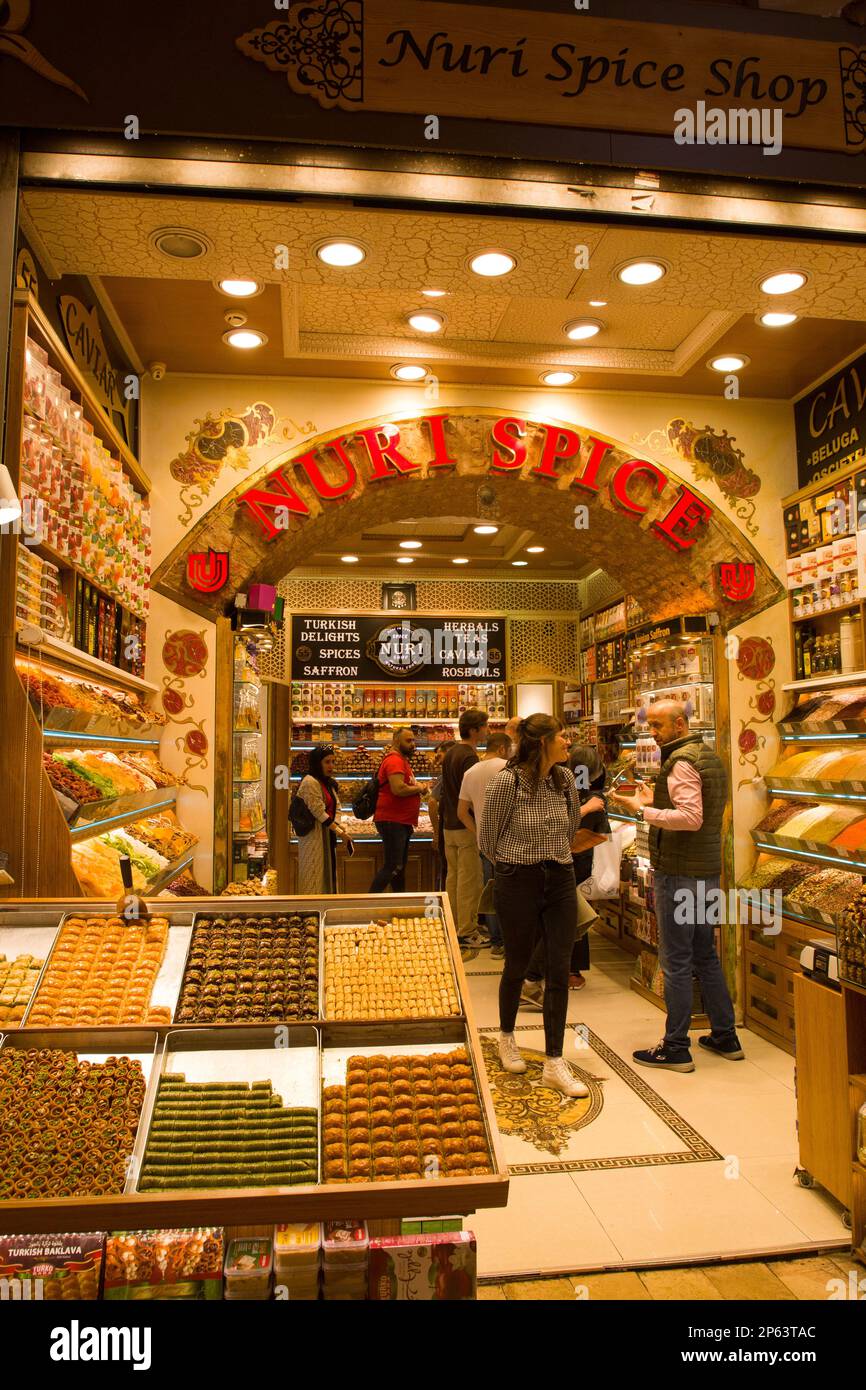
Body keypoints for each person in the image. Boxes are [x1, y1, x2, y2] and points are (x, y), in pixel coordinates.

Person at [610, 699, 743, 1072]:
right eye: (650, 725)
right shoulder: (707, 755)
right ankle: (725, 1035)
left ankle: (676, 1046)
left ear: (680, 725)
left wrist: (643, 810)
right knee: (705, 955)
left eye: (658, 726)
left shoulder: (680, 760)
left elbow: (690, 818)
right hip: (705, 872)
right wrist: (657, 800)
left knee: (677, 961)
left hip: (681, 873)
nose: (652, 733)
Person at [480, 713, 588, 1098]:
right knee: (518, 963)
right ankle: (506, 1036)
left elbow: (572, 826)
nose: (568, 742)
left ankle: (555, 1061)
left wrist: (549, 856)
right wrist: (515, 865)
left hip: (560, 877)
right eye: (562, 736)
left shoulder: (565, 782)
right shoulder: (507, 783)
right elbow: (487, 839)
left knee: (558, 969)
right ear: (542, 742)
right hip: (517, 880)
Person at [520, 744, 607, 1007]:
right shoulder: (578, 792)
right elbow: (559, 823)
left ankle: (546, 971)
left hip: (555, 861)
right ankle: (554, 972)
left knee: (561, 918)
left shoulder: (557, 782)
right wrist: (587, 809)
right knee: (569, 919)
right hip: (570, 862)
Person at [457, 729, 512, 958]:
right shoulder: (509, 769)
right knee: (513, 893)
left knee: (492, 891)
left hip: (485, 843)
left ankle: (497, 942)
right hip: (512, 840)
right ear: (502, 749)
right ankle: (513, 943)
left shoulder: (471, 772)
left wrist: (479, 833)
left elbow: (461, 812)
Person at [441, 709, 489, 945]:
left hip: (449, 825)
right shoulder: (469, 756)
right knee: (469, 882)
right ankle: (467, 931)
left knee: (454, 879)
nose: (488, 730)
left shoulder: (451, 752)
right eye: (485, 726)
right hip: (465, 827)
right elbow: (470, 796)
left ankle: (453, 924)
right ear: (474, 730)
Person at [369, 726, 422, 893]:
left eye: (413, 740)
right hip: (393, 821)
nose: (413, 744)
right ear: (396, 741)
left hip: (400, 821)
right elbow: (398, 789)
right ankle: (368, 901)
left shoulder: (401, 760)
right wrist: (420, 787)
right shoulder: (395, 760)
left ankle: (398, 903)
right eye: (408, 740)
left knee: (398, 868)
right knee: (393, 866)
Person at [296, 743, 353, 893]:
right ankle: (311, 913)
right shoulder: (310, 782)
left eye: (333, 762)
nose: (331, 766)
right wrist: (340, 832)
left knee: (327, 877)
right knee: (313, 878)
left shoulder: (328, 783)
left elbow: (337, 806)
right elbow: (318, 812)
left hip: (327, 835)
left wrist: (338, 826)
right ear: (317, 763)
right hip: (313, 837)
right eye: (327, 762)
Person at [426, 741, 453, 891]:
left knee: (446, 871)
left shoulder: (447, 775)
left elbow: (432, 803)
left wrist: (436, 832)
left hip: (446, 830)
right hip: (453, 830)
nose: (437, 760)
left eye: (440, 756)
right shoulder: (452, 774)